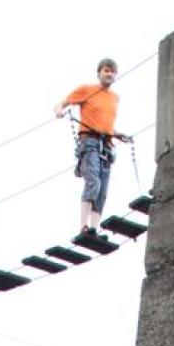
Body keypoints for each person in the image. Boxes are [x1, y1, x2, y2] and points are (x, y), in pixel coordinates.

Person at [54, 58, 130, 239]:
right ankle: (84, 227)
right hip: (89, 142)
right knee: (93, 182)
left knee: (102, 190)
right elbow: (62, 103)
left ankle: (94, 230)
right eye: (106, 70)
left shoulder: (114, 98)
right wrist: (58, 110)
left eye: (112, 71)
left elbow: (104, 123)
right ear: (99, 73)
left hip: (107, 145)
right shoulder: (86, 90)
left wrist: (117, 134)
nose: (109, 74)